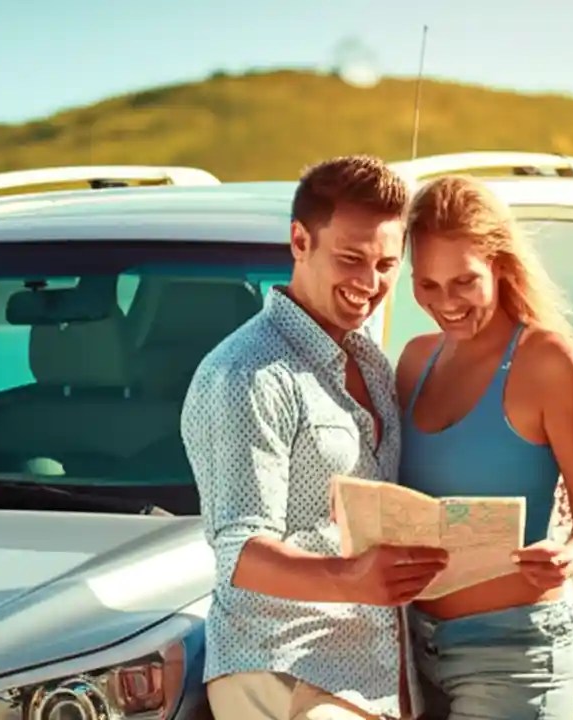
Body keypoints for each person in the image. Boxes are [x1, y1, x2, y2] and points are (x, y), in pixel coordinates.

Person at [181, 155, 449, 720]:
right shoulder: (246, 374)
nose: (369, 284)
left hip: (376, 670)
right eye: (350, 259)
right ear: (299, 240)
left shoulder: (373, 362)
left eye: (385, 264)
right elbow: (239, 550)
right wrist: (353, 579)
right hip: (283, 672)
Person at [395, 175, 573, 718]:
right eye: (427, 285)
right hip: (414, 649)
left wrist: (567, 557)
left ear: (500, 263)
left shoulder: (550, 363)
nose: (445, 302)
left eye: (463, 281)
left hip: (516, 654)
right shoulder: (414, 362)